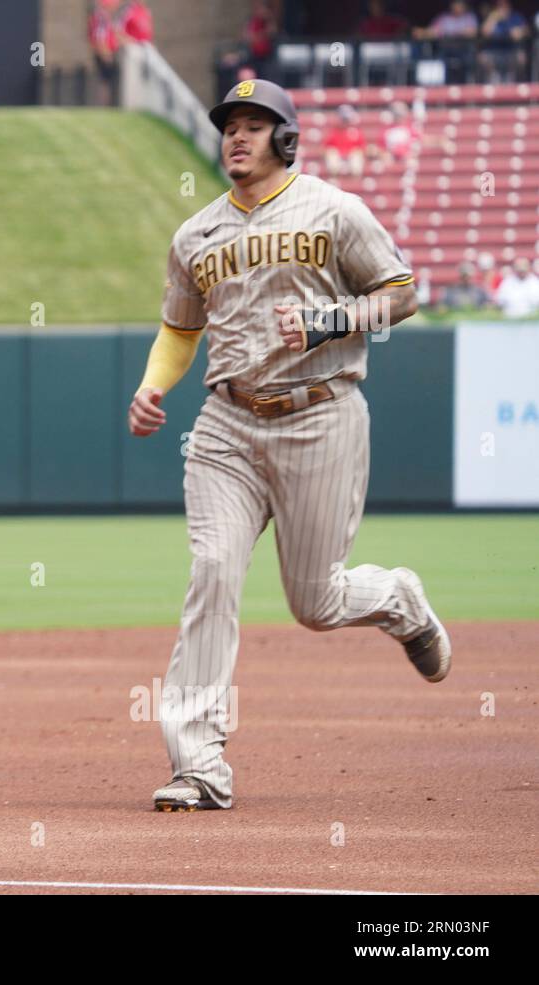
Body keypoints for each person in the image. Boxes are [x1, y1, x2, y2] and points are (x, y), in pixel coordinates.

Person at [128, 78, 451, 812]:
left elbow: (402, 292)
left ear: (286, 137)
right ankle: (199, 764)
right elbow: (181, 330)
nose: (237, 135)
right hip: (226, 425)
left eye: (255, 123)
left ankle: (400, 598)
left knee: (317, 600)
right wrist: (154, 386)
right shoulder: (195, 235)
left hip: (322, 414)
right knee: (212, 569)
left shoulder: (336, 211)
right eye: (230, 124)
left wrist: (332, 320)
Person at [478, 0, 528, 83]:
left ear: (509, 6)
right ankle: (494, 80)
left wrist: (520, 31)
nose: (502, 8)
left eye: (504, 5)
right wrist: (493, 19)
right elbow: (484, 32)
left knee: (520, 57)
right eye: (499, 6)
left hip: (511, 50)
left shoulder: (515, 16)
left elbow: (526, 30)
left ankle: (512, 82)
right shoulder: (492, 16)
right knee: (483, 57)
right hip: (494, 50)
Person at [324, 104, 368, 176]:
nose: (345, 122)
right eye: (344, 119)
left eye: (347, 119)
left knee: (356, 158)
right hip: (338, 160)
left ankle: (355, 183)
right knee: (332, 156)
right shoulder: (333, 132)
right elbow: (326, 148)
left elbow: (362, 148)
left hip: (351, 160)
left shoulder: (356, 132)